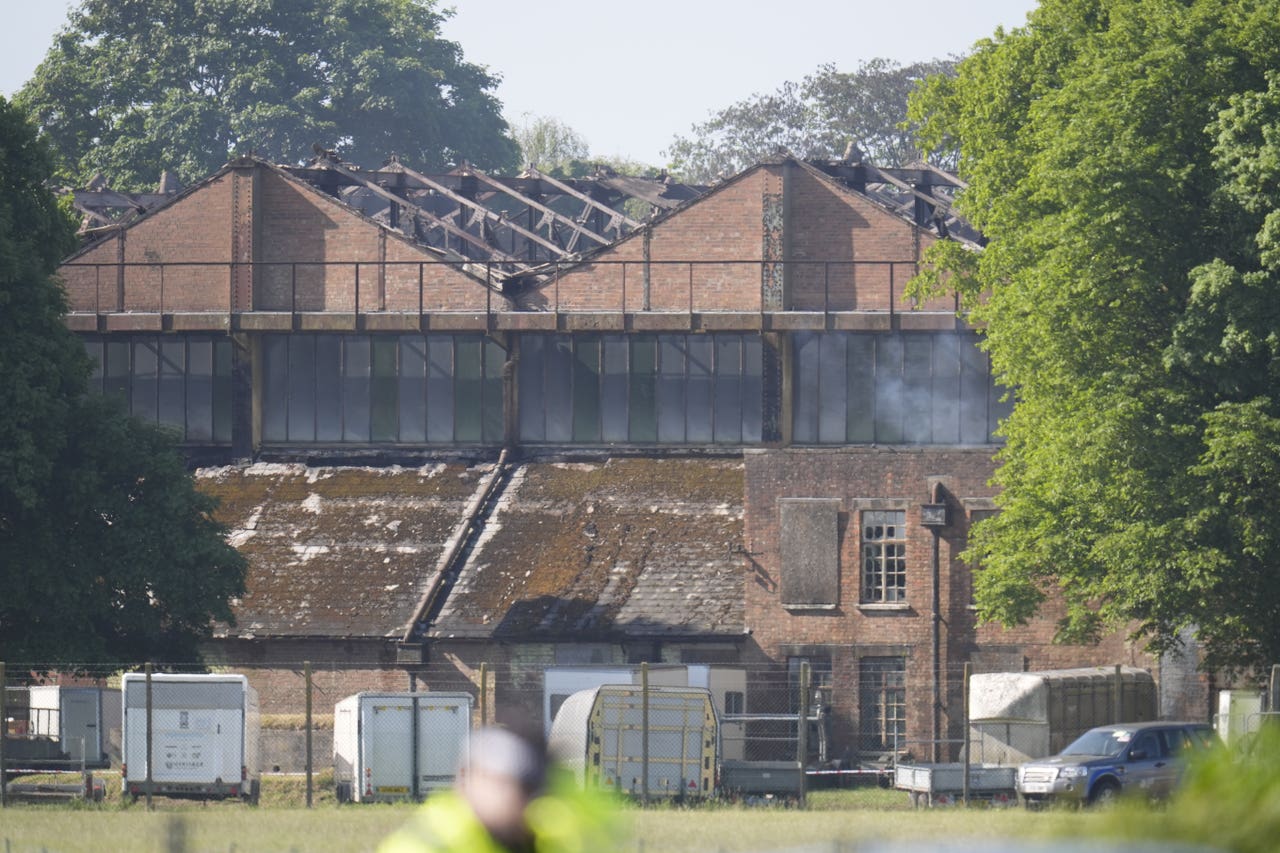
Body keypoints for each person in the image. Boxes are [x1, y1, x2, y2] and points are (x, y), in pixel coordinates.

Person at [378, 725, 621, 853]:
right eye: (508, 782)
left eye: (530, 786)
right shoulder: (432, 844)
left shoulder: (549, 827)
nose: (518, 797)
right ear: (466, 777)